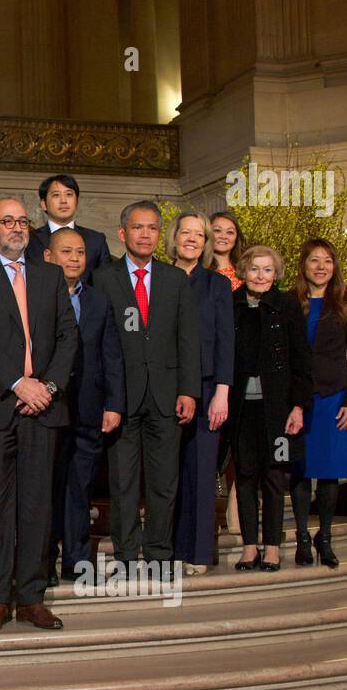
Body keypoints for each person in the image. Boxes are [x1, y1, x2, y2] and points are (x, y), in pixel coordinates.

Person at [0, 198, 77, 632]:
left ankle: (31, 597)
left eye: (22, 221)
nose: (15, 228)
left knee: (37, 505)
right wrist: (17, 382)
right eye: (6, 221)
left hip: (43, 408)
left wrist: (46, 387)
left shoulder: (49, 276)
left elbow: (68, 335)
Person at [92, 200, 200, 576]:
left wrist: (188, 390)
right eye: (138, 227)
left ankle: (158, 554)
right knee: (122, 484)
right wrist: (107, 396)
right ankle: (124, 555)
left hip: (167, 395)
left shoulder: (175, 280)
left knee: (164, 482)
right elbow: (100, 342)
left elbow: (188, 339)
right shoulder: (104, 279)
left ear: (159, 234)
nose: (145, 234)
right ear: (123, 234)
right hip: (121, 398)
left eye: (152, 228)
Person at [45, 227, 124, 585]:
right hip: (47, 408)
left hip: (89, 408)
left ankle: (76, 559)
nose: (75, 258)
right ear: (48, 257)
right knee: (46, 487)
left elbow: (111, 354)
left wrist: (113, 402)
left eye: (79, 252)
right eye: (66, 251)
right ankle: (43, 559)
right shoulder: (36, 297)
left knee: (79, 487)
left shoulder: (98, 300)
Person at [228, 245, 311, 573]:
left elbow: (302, 360)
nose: (260, 275)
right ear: (243, 272)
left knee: (274, 477)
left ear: (275, 274)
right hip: (240, 409)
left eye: (267, 270)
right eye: (254, 269)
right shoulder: (232, 305)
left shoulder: (287, 305)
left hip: (278, 409)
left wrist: (299, 407)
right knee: (246, 476)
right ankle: (250, 547)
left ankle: (273, 548)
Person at [167, 212, 233, 576]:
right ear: (173, 237)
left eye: (199, 235)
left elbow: (226, 341)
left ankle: (199, 553)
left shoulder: (216, 284)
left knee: (202, 471)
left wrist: (222, 392)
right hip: (167, 386)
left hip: (209, 388)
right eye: (185, 233)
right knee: (169, 474)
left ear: (206, 243)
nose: (192, 239)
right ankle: (172, 549)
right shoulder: (160, 278)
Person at [289, 238, 347, 568]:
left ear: (335, 266)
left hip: (336, 400)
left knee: (330, 473)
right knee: (302, 472)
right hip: (301, 402)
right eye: (314, 260)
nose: (321, 267)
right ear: (304, 265)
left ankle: (326, 537)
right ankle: (303, 538)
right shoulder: (290, 301)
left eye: (327, 261)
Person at [28, 174, 110, 282]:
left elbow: (105, 282)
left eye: (69, 194)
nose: (63, 201)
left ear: (77, 202)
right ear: (43, 204)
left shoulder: (96, 240)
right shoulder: (29, 240)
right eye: (56, 195)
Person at [210, 210, 244, 292]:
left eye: (230, 232)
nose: (223, 236)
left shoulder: (245, 271)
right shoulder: (196, 270)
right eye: (217, 230)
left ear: (236, 238)